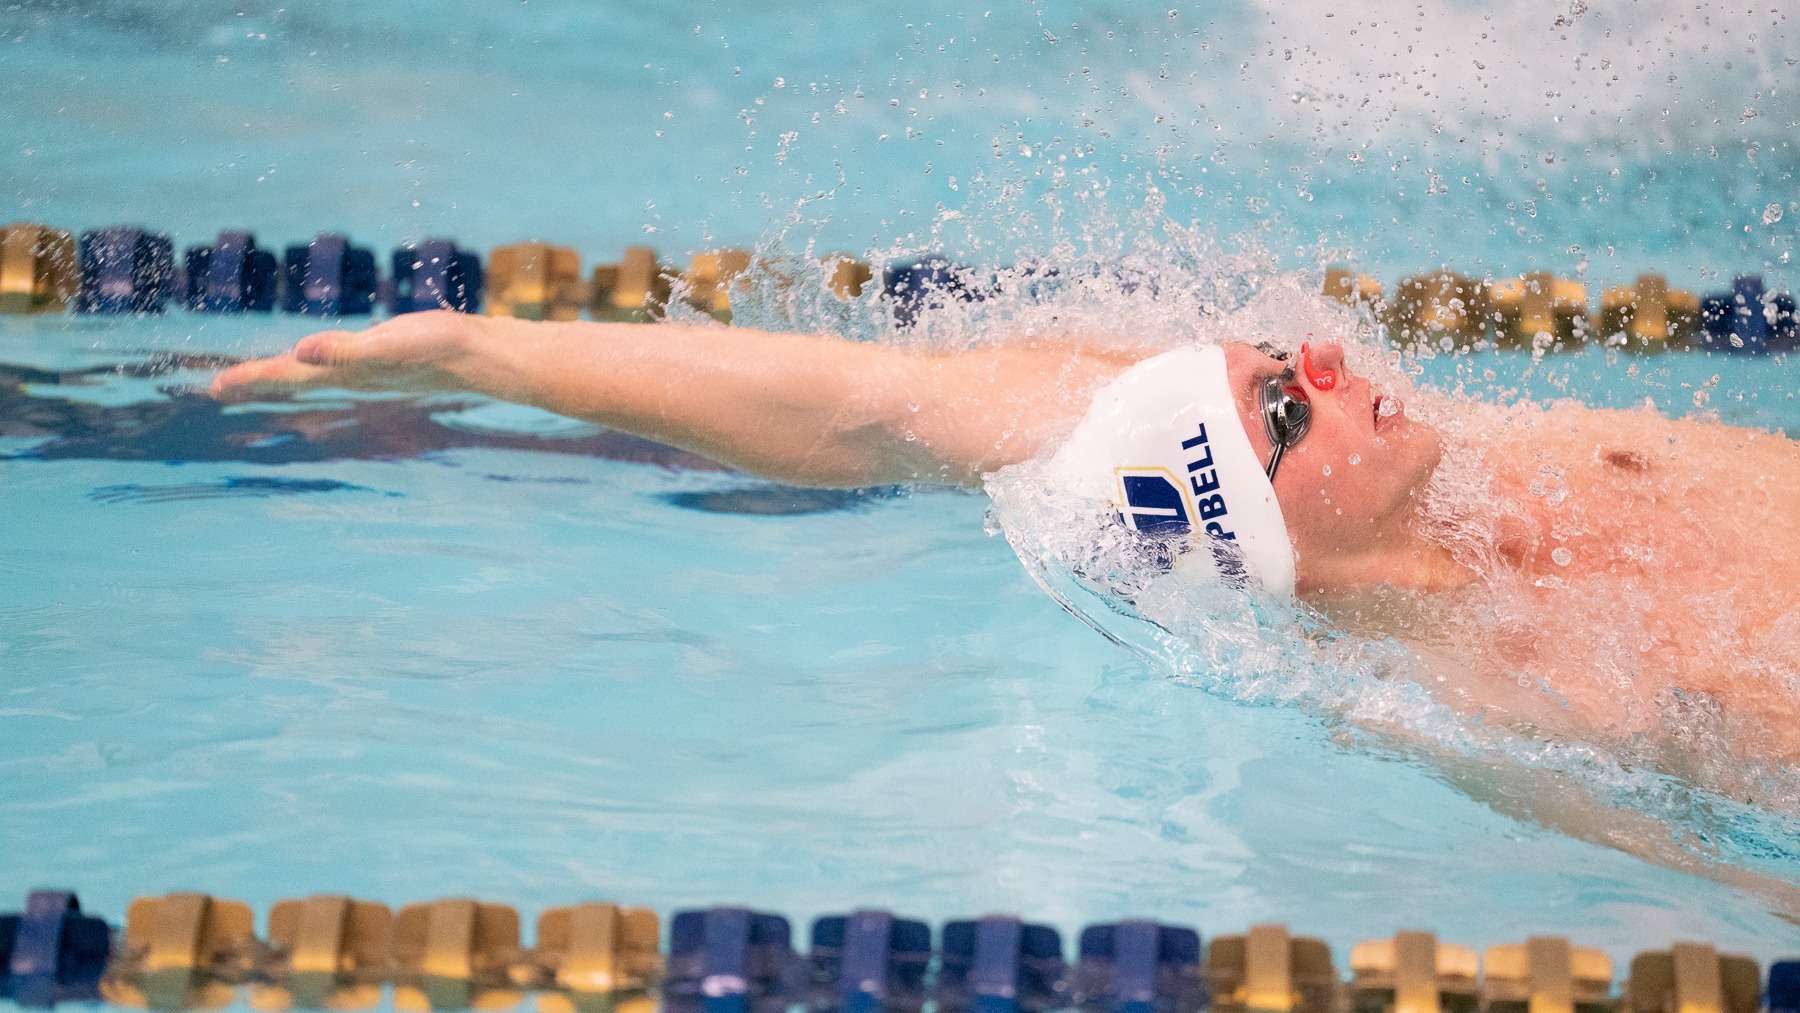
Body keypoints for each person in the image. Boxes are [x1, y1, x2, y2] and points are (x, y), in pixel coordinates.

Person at [210, 307, 1800, 767]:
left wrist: (492, 350)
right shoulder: (1537, 698)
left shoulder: (1454, 460)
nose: (1330, 368)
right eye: (1288, 413)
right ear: (1260, 543)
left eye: (1283, 363)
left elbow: (871, 405)